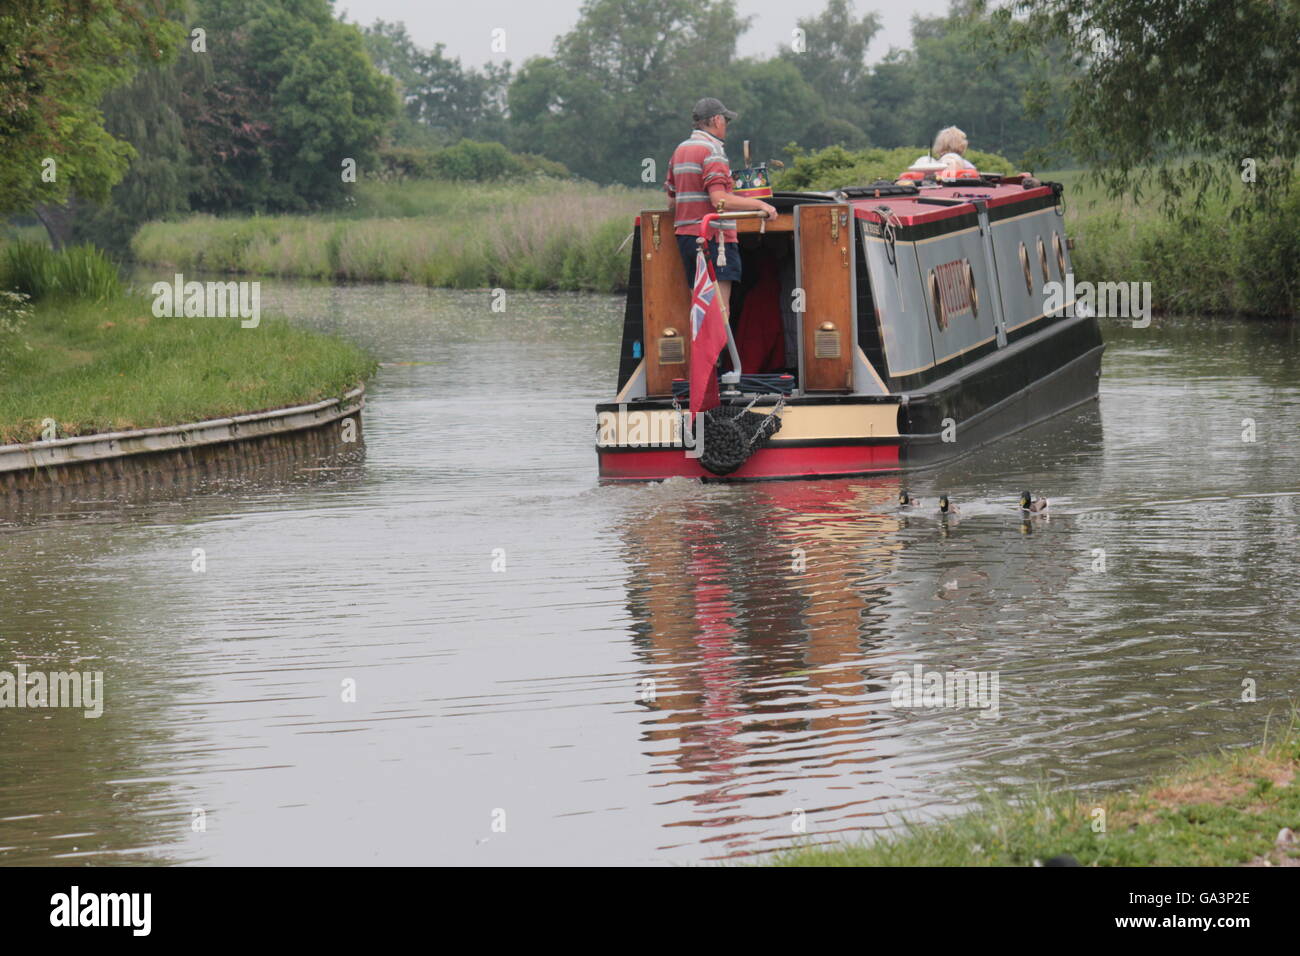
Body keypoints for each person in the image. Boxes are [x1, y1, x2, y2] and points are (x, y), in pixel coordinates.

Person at [664, 97, 777, 314]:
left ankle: (702, 350)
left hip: (686, 238)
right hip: (714, 240)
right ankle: (717, 350)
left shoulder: (679, 151)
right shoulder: (713, 151)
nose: (726, 126)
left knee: (700, 312)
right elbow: (719, 200)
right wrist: (761, 205)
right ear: (716, 120)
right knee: (718, 315)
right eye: (726, 121)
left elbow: (671, 201)